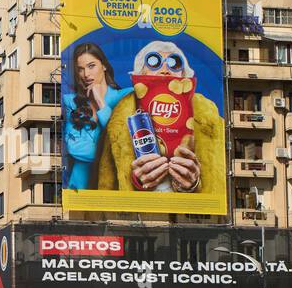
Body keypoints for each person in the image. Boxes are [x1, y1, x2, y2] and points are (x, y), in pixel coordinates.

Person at [95, 41, 226, 194]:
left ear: (184, 77)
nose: (164, 71)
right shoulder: (119, 121)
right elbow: (107, 184)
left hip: (188, 215)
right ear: (139, 75)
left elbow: (220, 182)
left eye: (174, 64)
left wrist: (193, 184)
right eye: (154, 63)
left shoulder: (210, 120)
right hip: (138, 215)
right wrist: (136, 181)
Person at [63, 43, 130, 190]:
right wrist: (112, 152)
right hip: (80, 192)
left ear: (104, 65)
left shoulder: (125, 96)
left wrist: (101, 104)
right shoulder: (70, 102)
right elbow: (73, 147)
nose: (86, 74)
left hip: (114, 191)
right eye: (80, 69)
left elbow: (125, 139)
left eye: (91, 66)